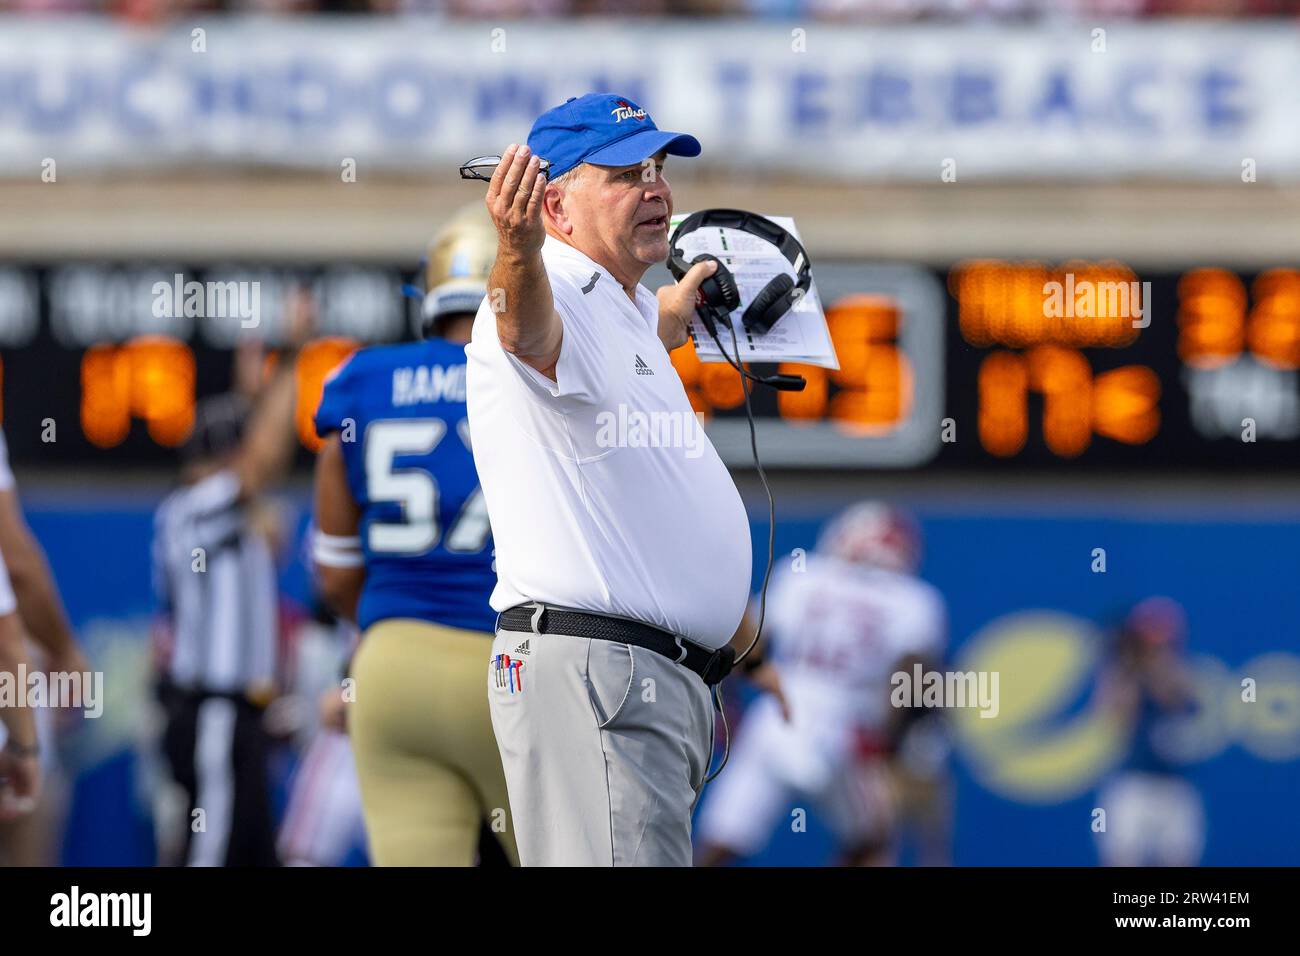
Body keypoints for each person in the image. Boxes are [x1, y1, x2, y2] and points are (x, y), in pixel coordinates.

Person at [465, 93, 776, 866]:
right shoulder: (547, 285)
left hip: (634, 681)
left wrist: (670, 315)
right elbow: (526, 333)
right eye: (626, 174)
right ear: (556, 203)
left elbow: (616, 351)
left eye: (659, 168)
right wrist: (515, 248)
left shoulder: (618, 305)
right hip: (600, 673)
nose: (658, 188)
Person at [311, 206, 518, 866]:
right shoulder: (541, 376)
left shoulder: (359, 381)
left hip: (391, 673)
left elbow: (338, 572)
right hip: (513, 668)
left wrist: (395, 623)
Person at [152, 292, 314, 866]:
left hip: (243, 717)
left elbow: (253, 464)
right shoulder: (192, 510)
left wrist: (255, 391)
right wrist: (293, 355)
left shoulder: (227, 512)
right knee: (209, 851)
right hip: (212, 711)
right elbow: (260, 459)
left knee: (249, 853)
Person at [695, 502, 947, 866]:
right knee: (870, 841)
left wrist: (722, 703)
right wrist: (890, 746)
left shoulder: (801, 576)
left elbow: (744, 645)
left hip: (778, 715)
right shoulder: (914, 602)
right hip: (848, 728)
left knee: (723, 839)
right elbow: (914, 685)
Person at [1094, 596, 1205, 867]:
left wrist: (1152, 665)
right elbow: (1114, 718)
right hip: (1133, 784)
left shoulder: (1179, 670)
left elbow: (1177, 697)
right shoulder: (1122, 673)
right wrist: (1124, 668)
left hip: (1174, 787)